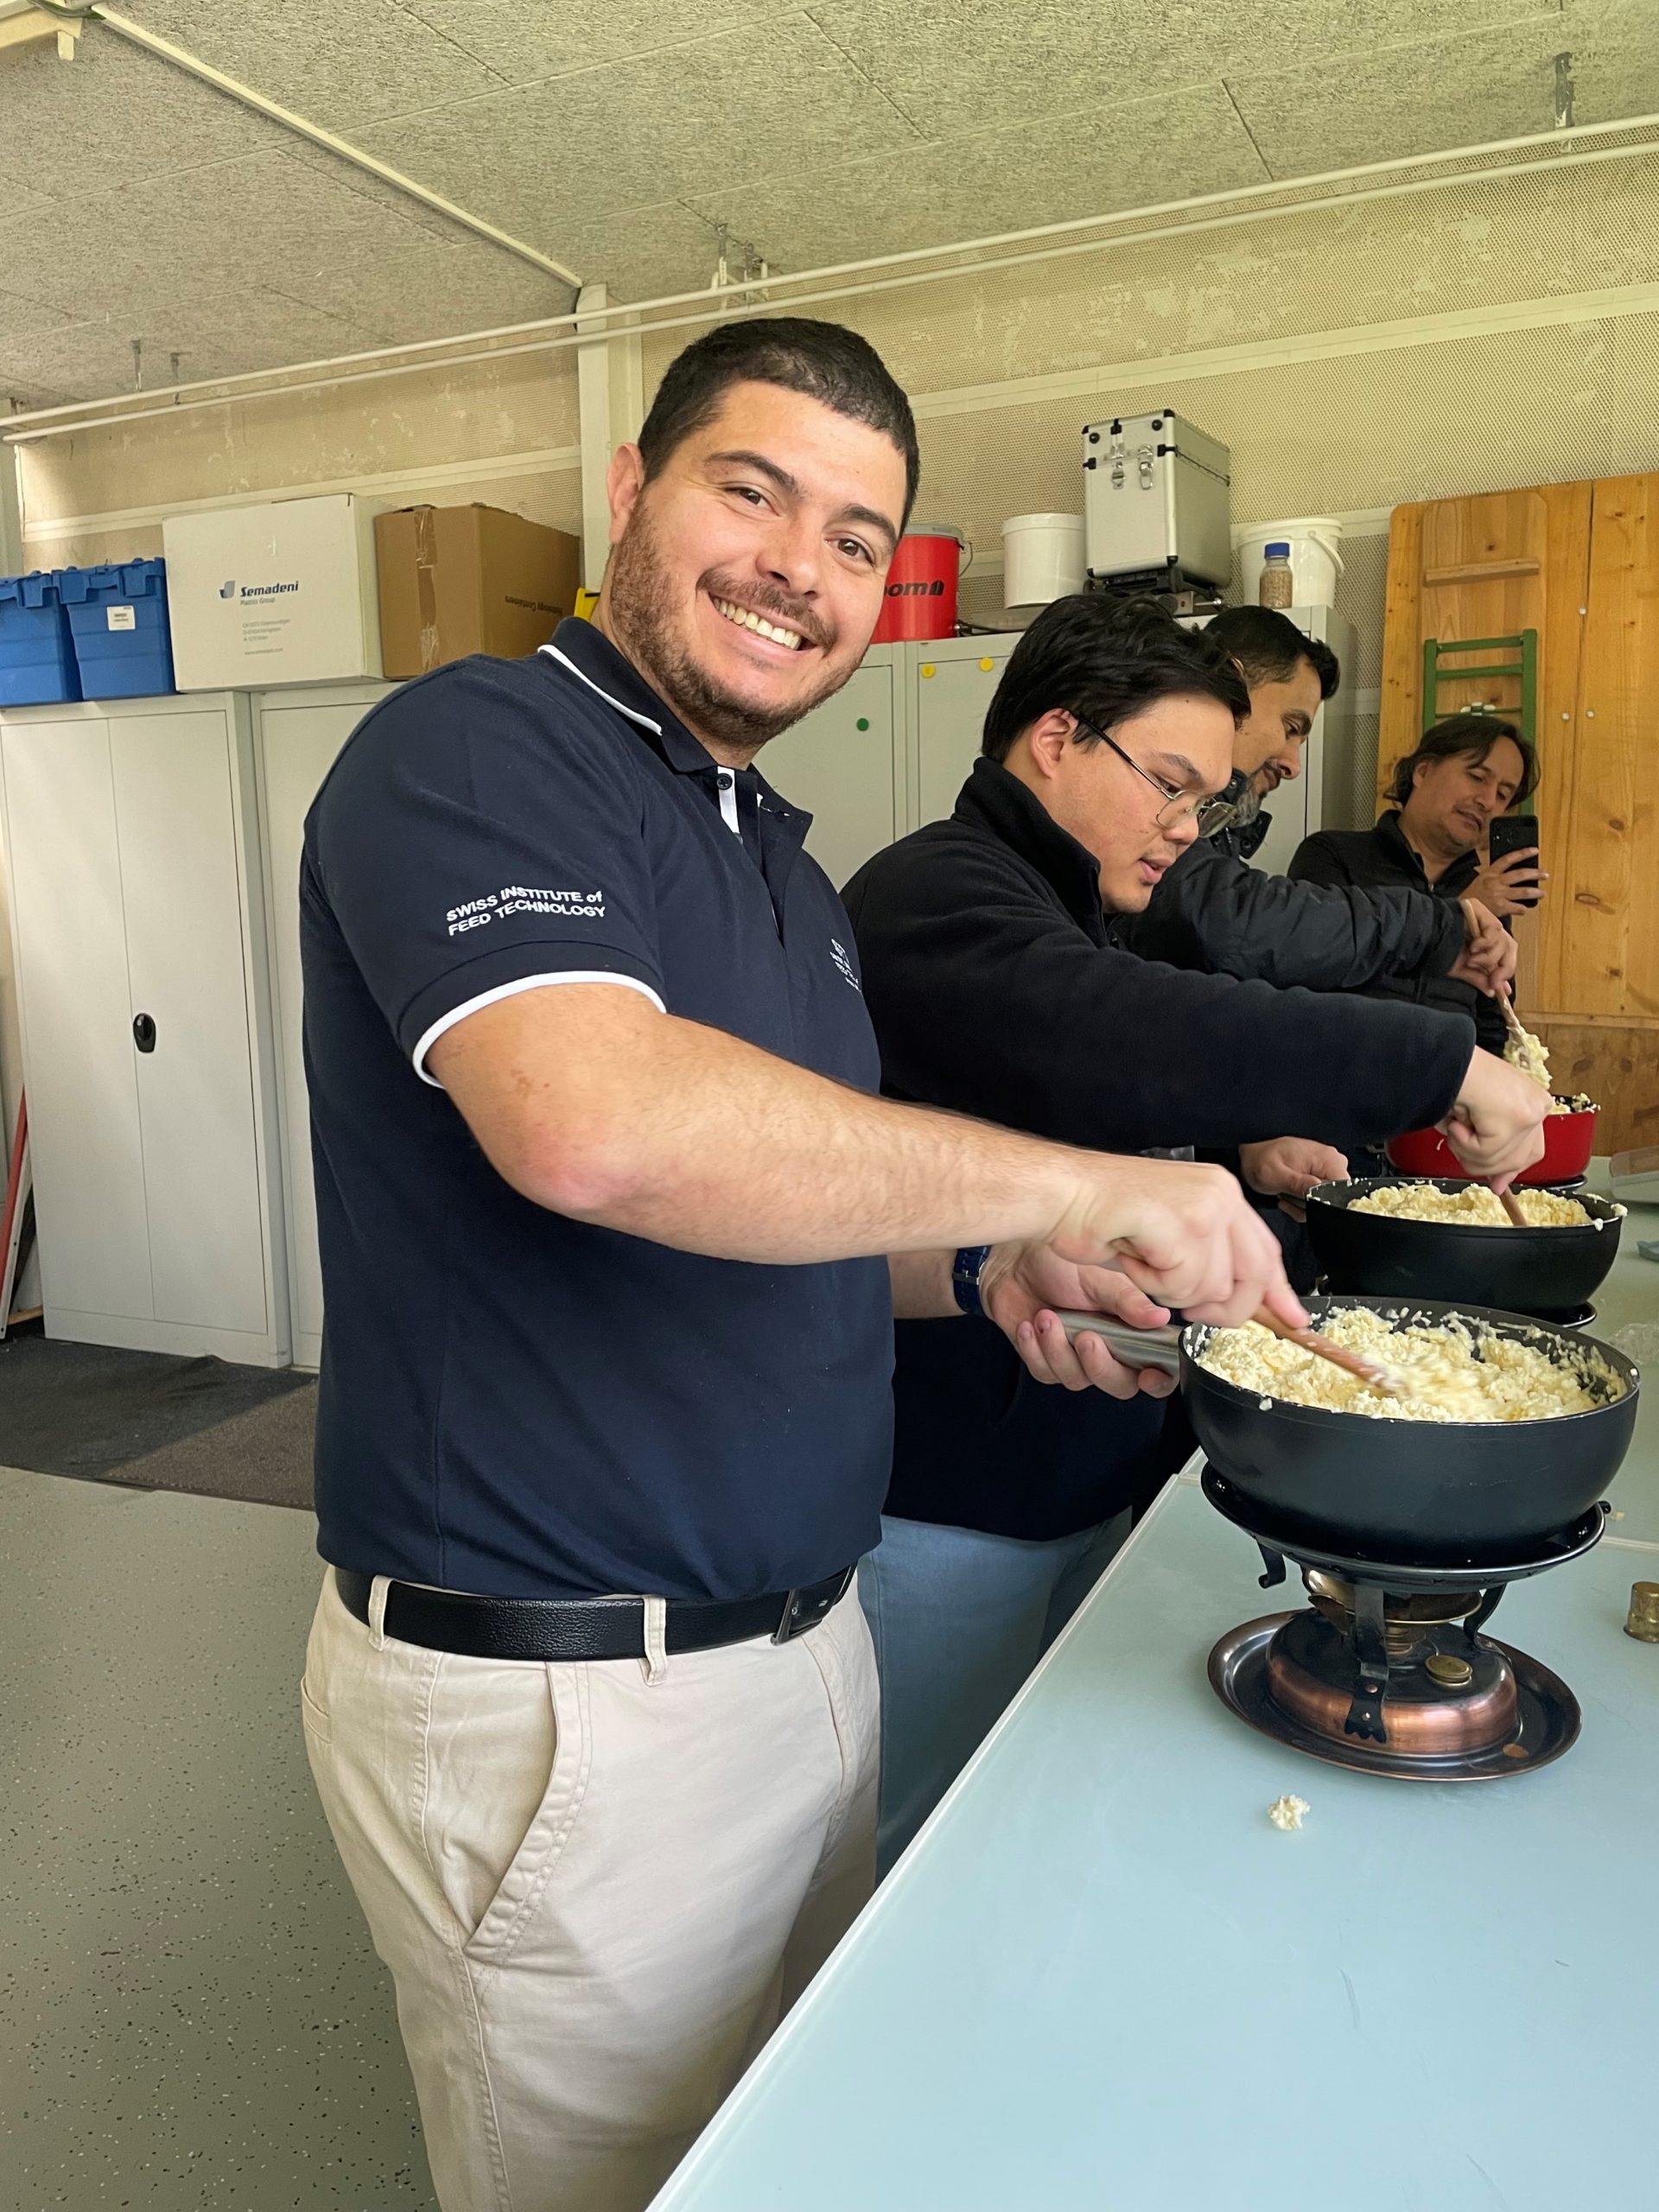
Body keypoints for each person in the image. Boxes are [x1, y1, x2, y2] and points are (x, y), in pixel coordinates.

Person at [296, 320, 1304, 2212]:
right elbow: (595, 1124)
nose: (798, 566)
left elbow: (786, 1204)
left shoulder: (775, 859)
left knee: (786, 2158)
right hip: (577, 1695)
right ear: (629, 494)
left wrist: (993, 1265)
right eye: (750, 492)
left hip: (801, 1655)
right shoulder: (477, 747)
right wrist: (1081, 1182)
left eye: (855, 538)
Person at [842, 595, 1550, 1875]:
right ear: (1057, 738)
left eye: (1206, 802)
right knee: (922, 1840)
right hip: (952, 1497)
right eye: (1169, 786)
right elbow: (1112, 1031)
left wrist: (1234, 1152)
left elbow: (1091, 1113)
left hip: (1080, 1463)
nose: (1187, 827)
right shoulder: (938, 890)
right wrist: (1440, 1062)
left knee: (1041, 1820)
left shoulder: (1080, 900)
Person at [1115, 607, 1518, 1010]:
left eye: (1504, 793)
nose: (1294, 766)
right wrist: (1440, 925)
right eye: (1291, 729)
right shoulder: (1331, 853)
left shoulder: (1210, 827)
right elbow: (1231, 924)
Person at [1289, 712, 1541, 1056]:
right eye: (1476, 777)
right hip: (1340, 1068)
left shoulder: (1488, 893)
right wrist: (1454, 915)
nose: (1487, 801)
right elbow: (1311, 971)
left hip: (1450, 1082)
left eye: (1503, 795)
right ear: (1422, 771)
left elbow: (1492, 1022)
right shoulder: (1332, 854)